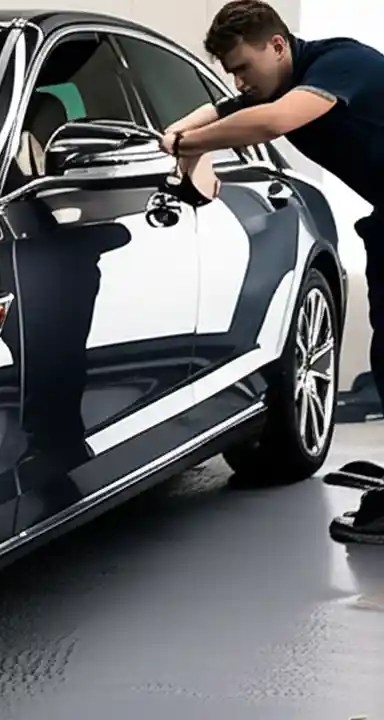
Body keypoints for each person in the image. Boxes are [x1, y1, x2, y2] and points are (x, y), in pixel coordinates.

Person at [160, 0, 384, 543]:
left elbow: (273, 122)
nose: (240, 81)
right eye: (231, 71)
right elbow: (219, 110)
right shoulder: (277, 82)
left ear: (278, 45)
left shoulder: (340, 63)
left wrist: (189, 145)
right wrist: (178, 137)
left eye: (244, 67)